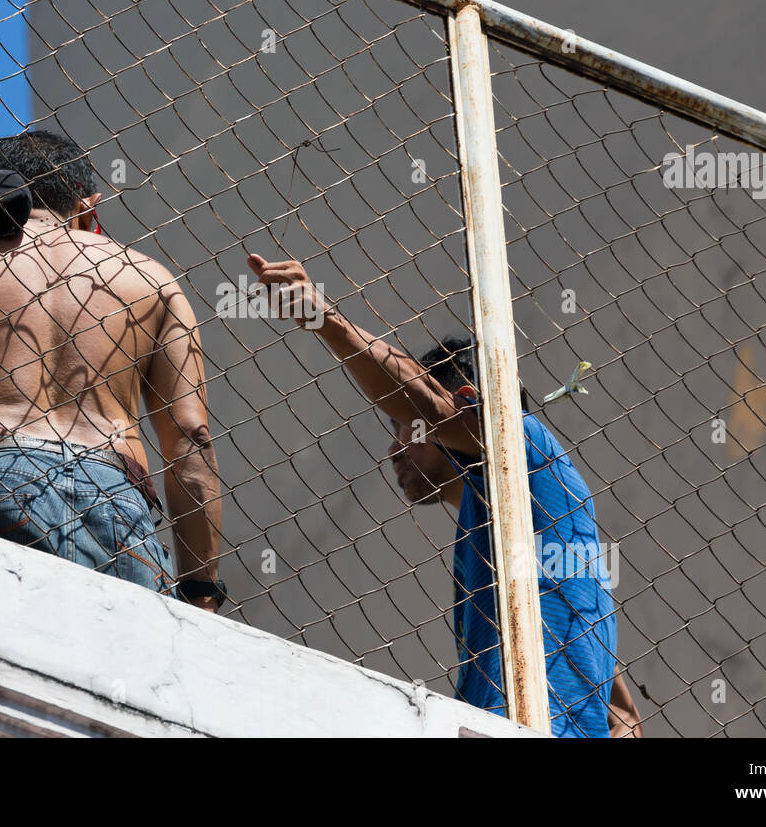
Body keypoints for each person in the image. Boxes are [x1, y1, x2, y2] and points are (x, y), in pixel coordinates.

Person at [248, 252, 641, 735]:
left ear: (469, 403)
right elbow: (621, 711)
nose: (393, 449)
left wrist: (324, 318)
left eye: (401, 429)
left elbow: (428, 409)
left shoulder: (526, 448)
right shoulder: (500, 526)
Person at [0, 130, 225, 612]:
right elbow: (192, 434)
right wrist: (199, 587)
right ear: (89, 204)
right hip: (116, 498)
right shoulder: (153, 280)